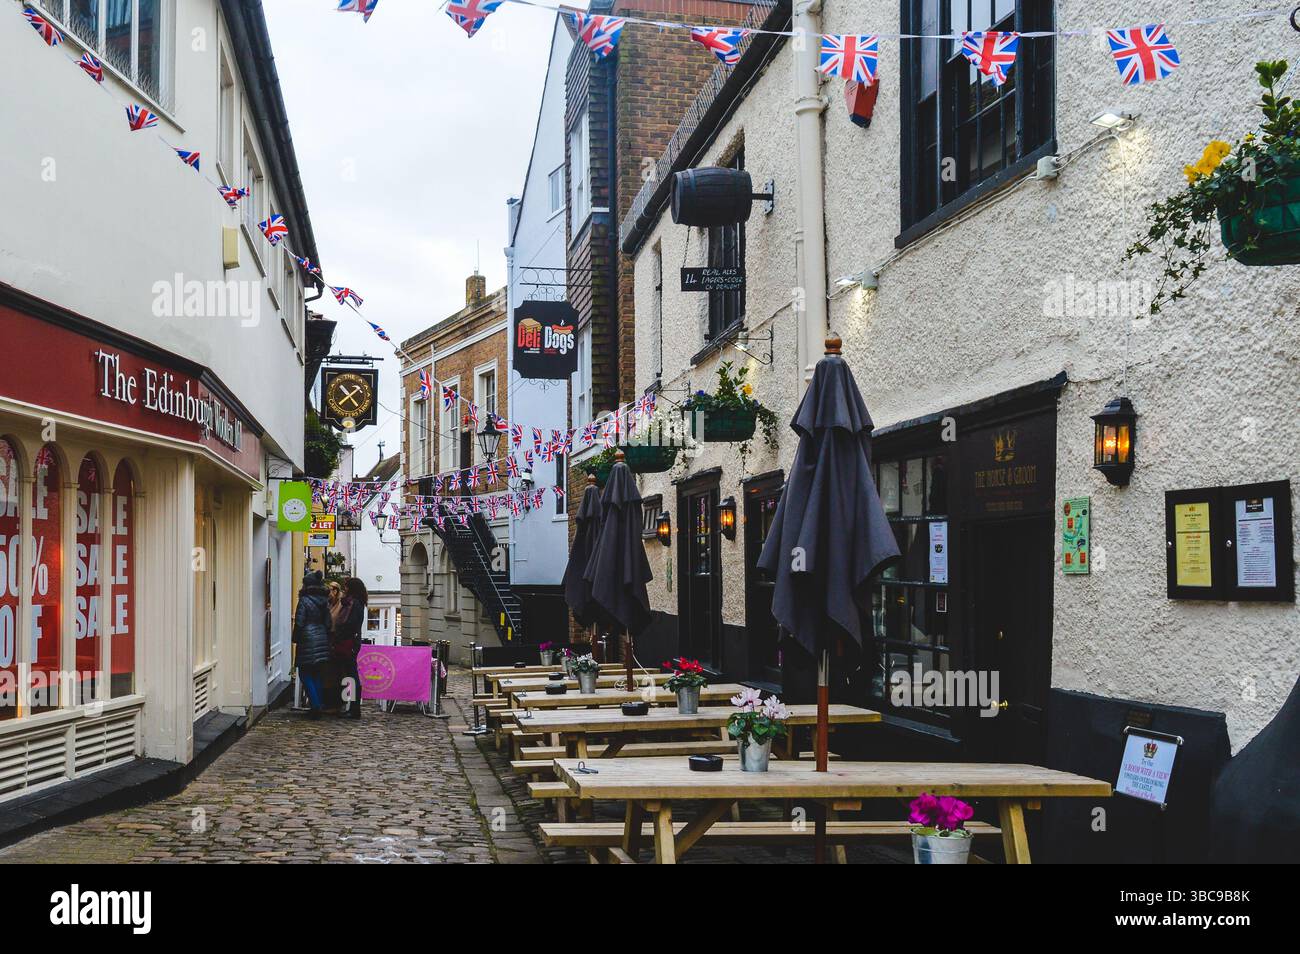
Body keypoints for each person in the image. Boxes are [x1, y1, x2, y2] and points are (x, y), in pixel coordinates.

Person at [292, 570, 333, 719]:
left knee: (305, 673)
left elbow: (299, 622)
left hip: (307, 639)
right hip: (321, 637)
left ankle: (315, 706)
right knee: (317, 675)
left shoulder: (304, 601)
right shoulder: (324, 601)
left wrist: (295, 638)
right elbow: (328, 623)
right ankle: (319, 704)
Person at [333, 577, 368, 719]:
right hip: (348, 641)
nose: (344, 589)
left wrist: (340, 635)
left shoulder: (354, 604)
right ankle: (349, 706)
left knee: (351, 676)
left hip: (348, 642)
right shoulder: (352, 603)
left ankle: (354, 708)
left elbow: (350, 623)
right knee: (348, 675)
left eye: (346, 586)